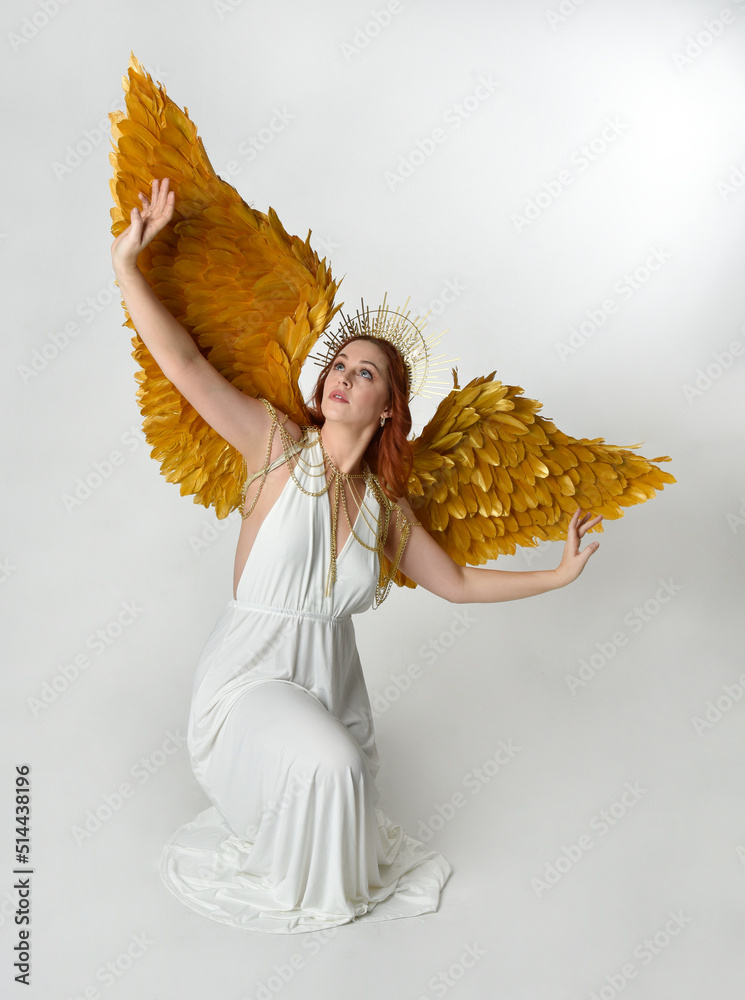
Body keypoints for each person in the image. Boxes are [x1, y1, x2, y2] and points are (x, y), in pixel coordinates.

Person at [111, 177, 603, 934]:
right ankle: (309, 893)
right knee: (331, 767)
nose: (343, 377)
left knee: (338, 764)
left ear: (387, 409)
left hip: (326, 690)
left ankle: (325, 869)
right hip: (246, 686)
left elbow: (460, 584)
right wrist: (127, 269)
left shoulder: (384, 509)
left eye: (364, 373)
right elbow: (184, 364)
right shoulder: (274, 447)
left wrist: (558, 574)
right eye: (339, 366)